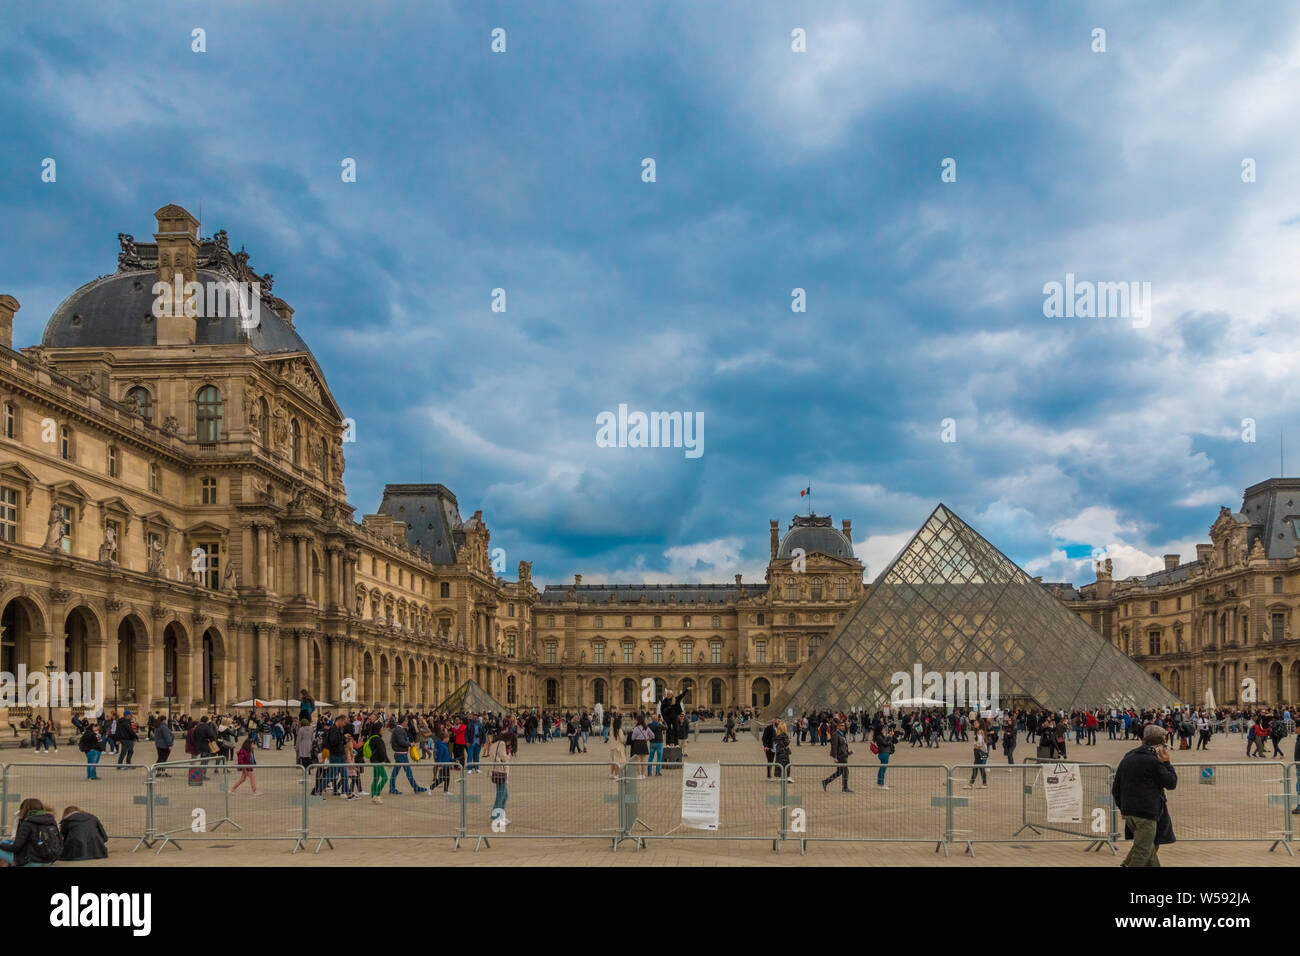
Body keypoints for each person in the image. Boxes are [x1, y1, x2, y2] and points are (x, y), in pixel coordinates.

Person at [1112, 723, 1177, 866]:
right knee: (1143, 851)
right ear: (1159, 742)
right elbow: (1171, 783)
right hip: (1146, 814)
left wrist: (1123, 808)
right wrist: (1167, 763)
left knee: (1149, 847)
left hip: (1131, 813)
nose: (1166, 742)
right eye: (1164, 739)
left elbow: (1116, 787)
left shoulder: (1128, 757)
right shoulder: (1153, 762)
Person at [0, 799, 61, 867]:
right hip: (49, 860)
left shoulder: (27, 823)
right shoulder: (51, 821)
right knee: (5, 842)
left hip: (32, 861)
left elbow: (16, 847)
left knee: (2, 846)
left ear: (24, 809)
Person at [389, 720, 427, 794]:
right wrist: (410, 744)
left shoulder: (398, 729)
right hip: (401, 754)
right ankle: (416, 788)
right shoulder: (399, 730)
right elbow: (401, 742)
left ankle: (392, 788)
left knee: (395, 772)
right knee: (408, 772)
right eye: (406, 721)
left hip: (399, 753)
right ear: (402, 722)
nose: (407, 723)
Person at [488, 727, 512, 826]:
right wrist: (508, 754)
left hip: (495, 770)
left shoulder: (494, 743)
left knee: (502, 794)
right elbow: (504, 757)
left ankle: (497, 815)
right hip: (500, 771)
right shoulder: (502, 743)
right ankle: (498, 817)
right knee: (502, 795)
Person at [821, 721, 852, 793]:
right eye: (841, 725)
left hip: (844, 755)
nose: (843, 727)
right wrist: (835, 757)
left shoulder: (842, 734)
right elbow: (834, 746)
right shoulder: (835, 734)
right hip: (840, 756)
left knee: (840, 772)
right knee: (845, 771)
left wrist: (848, 752)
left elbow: (843, 745)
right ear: (837, 726)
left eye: (843, 725)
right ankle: (845, 788)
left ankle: (825, 782)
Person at [365, 723, 389, 804]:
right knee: (385, 777)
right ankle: (377, 795)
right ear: (378, 730)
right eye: (382, 729)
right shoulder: (378, 739)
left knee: (376, 779)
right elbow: (382, 751)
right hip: (378, 761)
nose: (382, 731)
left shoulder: (371, 738)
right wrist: (386, 760)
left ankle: (373, 796)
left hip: (373, 761)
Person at [963, 723, 989, 788]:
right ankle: (983, 783)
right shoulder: (978, 731)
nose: (974, 723)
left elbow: (981, 743)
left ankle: (971, 784)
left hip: (980, 751)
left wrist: (976, 746)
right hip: (979, 751)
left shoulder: (980, 731)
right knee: (979, 767)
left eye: (976, 722)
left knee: (977, 767)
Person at [874, 724, 896, 789]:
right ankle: (881, 784)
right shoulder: (879, 737)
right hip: (883, 753)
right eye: (883, 729)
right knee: (883, 769)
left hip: (884, 753)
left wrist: (889, 736)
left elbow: (886, 741)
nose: (884, 730)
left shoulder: (881, 736)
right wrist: (890, 738)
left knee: (882, 769)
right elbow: (885, 743)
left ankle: (880, 783)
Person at [608, 716, 627, 780]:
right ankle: (616, 774)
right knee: (618, 762)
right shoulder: (620, 730)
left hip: (612, 747)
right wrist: (624, 741)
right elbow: (622, 740)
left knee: (613, 761)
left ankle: (611, 774)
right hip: (618, 747)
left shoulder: (611, 730)